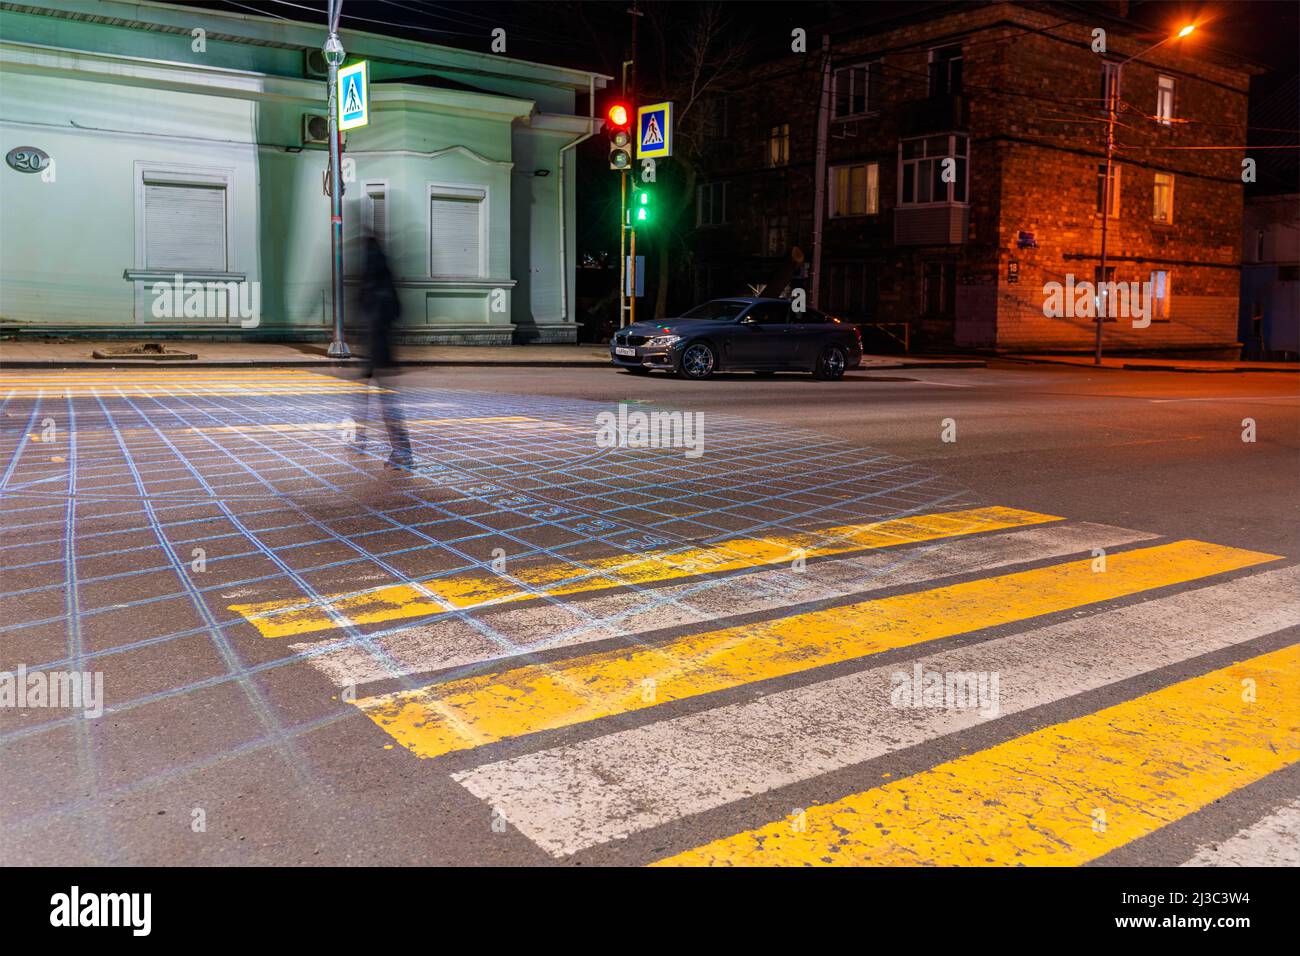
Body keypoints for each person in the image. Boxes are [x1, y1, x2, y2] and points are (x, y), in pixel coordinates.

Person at [353, 232, 413, 471]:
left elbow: (363, 311)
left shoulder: (369, 281)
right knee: (380, 402)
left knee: (382, 404)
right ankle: (394, 448)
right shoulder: (385, 278)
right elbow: (397, 310)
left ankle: (401, 451)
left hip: (375, 351)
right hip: (382, 351)